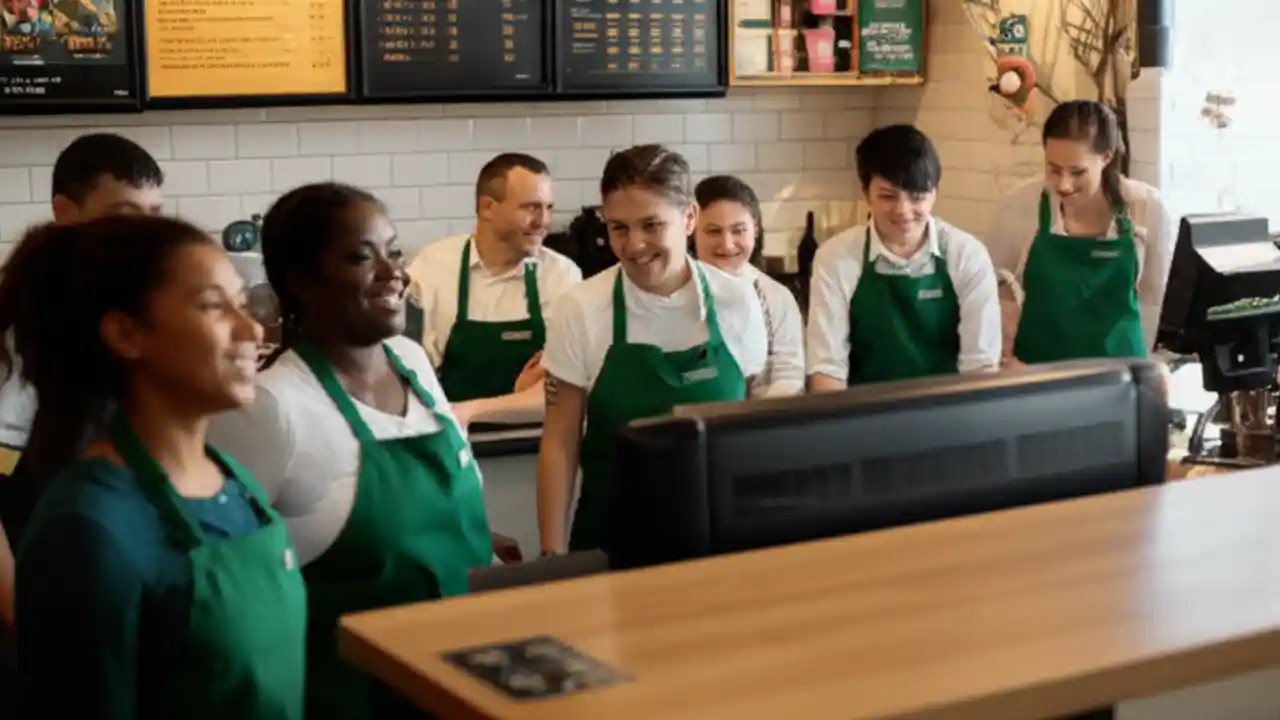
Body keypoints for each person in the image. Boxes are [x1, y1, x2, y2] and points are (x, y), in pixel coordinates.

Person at [207, 182, 517, 720]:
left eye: (393, 251)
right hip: (355, 701)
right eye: (360, 257)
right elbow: (224, 594)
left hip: (470, 683)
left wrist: (479, 543)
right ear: (301, 280)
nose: (392, 272)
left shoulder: (412, 362)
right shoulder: (270, 408)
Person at [9, 215, 305, 718]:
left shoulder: (230, 476)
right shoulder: (89, 531)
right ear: (126, 334)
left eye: (243, 302)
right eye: (214, 306)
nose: (251, 328)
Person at [537, 145, 768, 554]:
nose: (634, 245)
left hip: (719, 541)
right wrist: (551, 558)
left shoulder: (738, 301)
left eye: (651, 225)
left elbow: (749, 430)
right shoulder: (582, 308)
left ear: (690, 218)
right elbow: (560, 441)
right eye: (618, 228)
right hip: (610, 541)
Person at [0, 132, 164, 628]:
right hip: (47, 591)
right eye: (125, 216)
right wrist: (19, 618)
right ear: (65, 212)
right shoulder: (26, 328)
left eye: (155, 218)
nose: (144, 237)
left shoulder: (120, 315)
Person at [807, 124, 1001, 390]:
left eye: (917, 197)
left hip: (949, 415)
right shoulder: (835, 258)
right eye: (888, 196)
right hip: (861, 416)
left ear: (935, 193)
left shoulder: (967, 255)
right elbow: (827, 369)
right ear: (866, 194)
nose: (903, 210)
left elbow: (980, 368)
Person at [985, 99, 1176, 363]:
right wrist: (1005, 340)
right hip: (1036, 372)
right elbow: (991, 279)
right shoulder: (1021, 205)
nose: (1063, 185)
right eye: (1053, 169)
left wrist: (1148, 371)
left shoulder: (1145, 208)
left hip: (1119, 377)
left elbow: (1158, 300)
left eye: (1077, 172)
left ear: (1107, 157)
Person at [406, 153, 582, 429]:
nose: (544, 221)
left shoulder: (560, 275)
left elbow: (562, 392)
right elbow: (410, 382)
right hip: (454, 443)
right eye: (531, 208)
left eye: (549, 207)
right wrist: (520, 396)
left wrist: (470, 410)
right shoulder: (433, 269)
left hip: (536, 444)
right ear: (487, 207)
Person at [692, 174, 804, 398]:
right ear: (691, 231)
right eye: (713, 231)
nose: (727, 244)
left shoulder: (775, 297)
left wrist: (756, 415)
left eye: (738, 230)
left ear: (756, 230)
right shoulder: (675, 293)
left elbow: (789, 373)